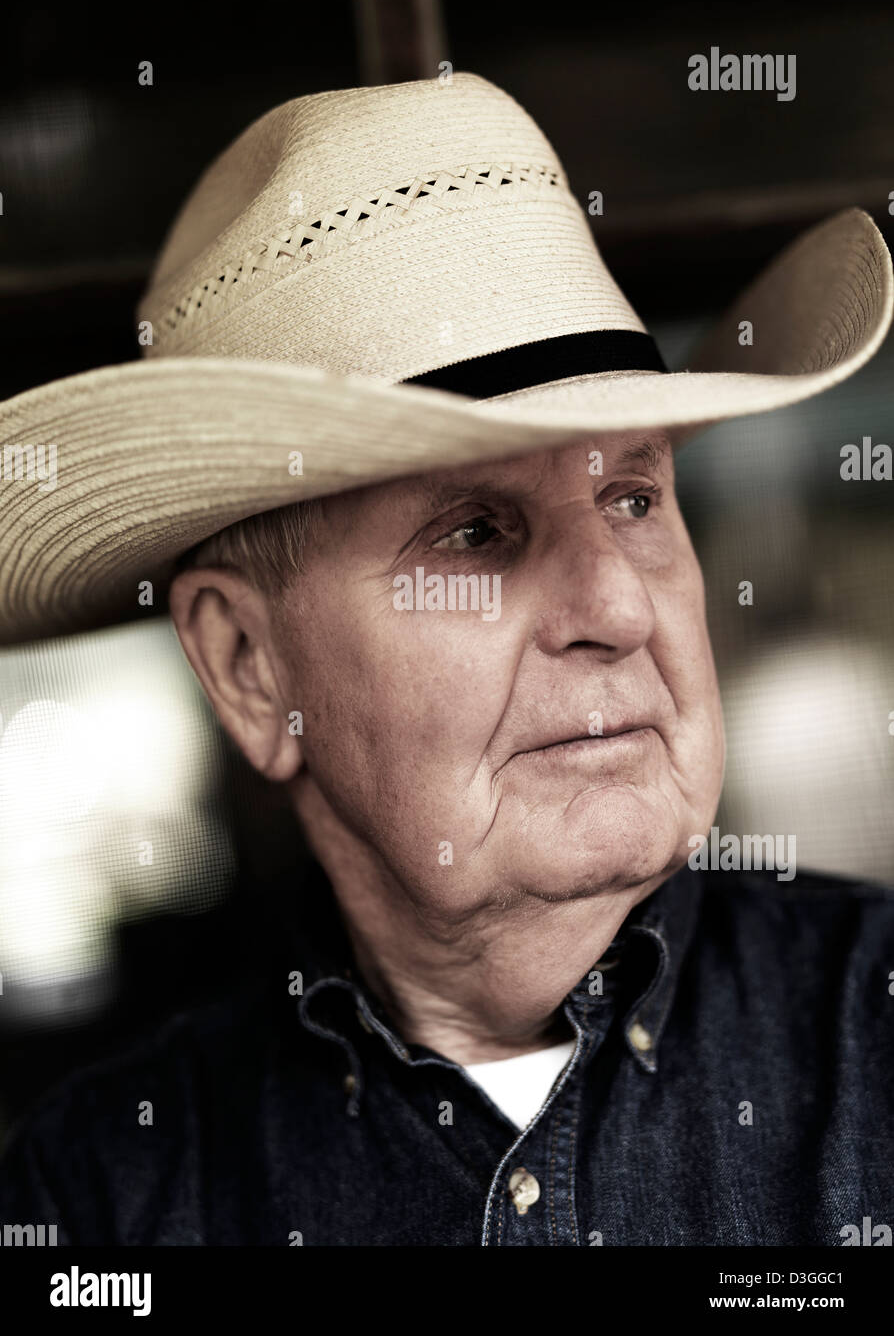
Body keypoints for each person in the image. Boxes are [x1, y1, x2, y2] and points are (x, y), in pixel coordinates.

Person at [0, 73, 891, 1246]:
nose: (618, 604)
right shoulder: (95, 1206)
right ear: (248, 665)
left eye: (632, 495)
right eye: (476, 532)